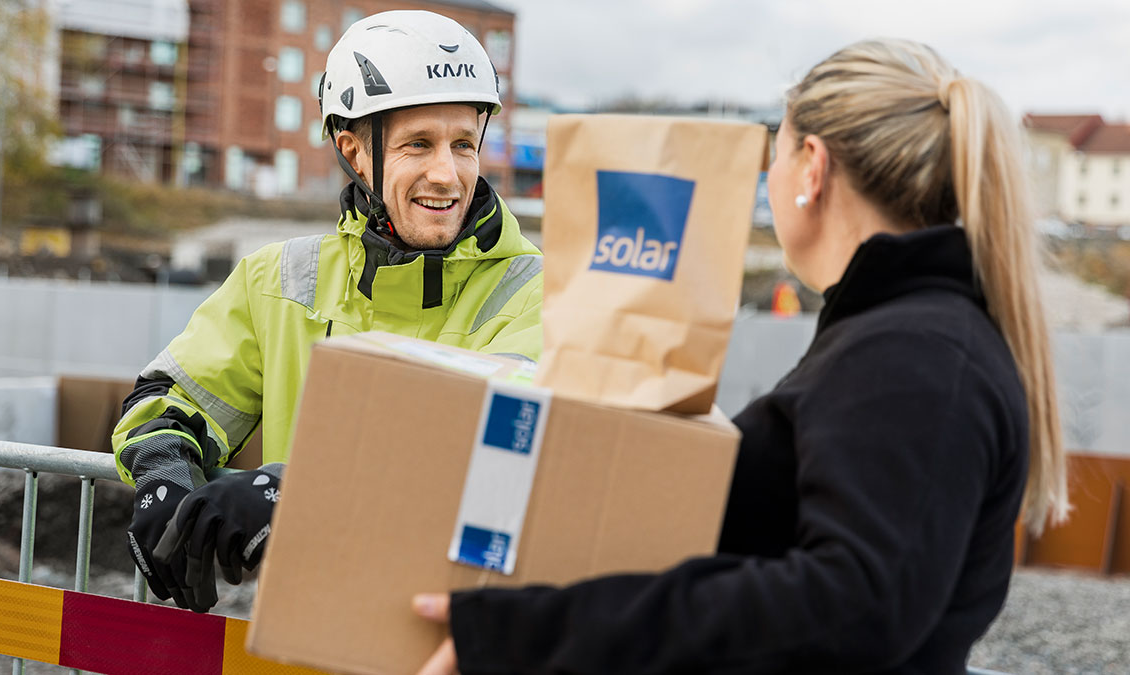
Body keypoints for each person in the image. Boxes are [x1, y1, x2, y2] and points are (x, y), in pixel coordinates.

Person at [412, 38, 1070, 674]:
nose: (769, 178)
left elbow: (846, 605)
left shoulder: (912, 358)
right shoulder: (899, 339)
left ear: (812, 167)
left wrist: (537, 634)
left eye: (774, 154)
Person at [112, 10, 542, 614]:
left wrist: (297, 490)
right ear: (354, 151)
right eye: (418, 144)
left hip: (463, 632)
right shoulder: (278, 281)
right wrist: (164, 471)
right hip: (311, 629)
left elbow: (496, 445)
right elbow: (170, 398)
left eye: (463, 145)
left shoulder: (535, 291)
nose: (447, 174)